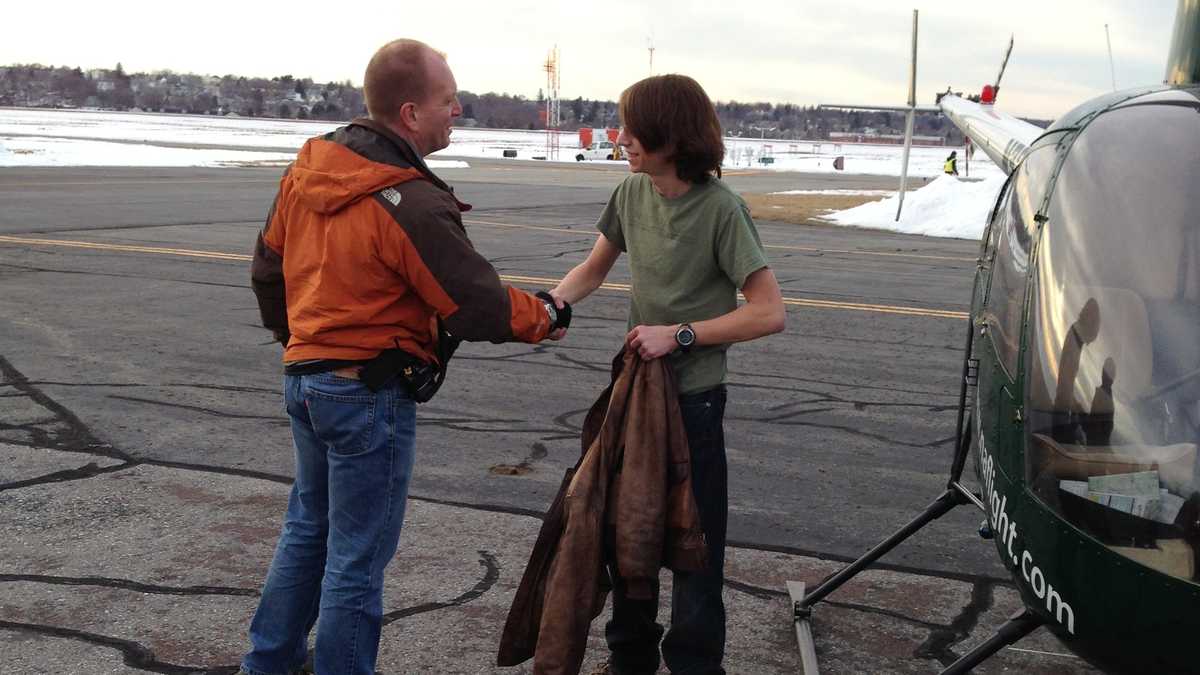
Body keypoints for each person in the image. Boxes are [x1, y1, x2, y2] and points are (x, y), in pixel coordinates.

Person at [240, 39, 566, 675]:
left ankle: (267, 663)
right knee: (356, 556)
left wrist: (304, 344)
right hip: (366, 394)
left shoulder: (308, 173)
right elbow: (473, 303)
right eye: (449, 102)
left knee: (308, 530)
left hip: (307, 384)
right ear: (411, 113)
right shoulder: (406, 199)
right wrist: (545, 316)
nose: (458, 111)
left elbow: (266, 271)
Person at [548, 74, 786, 675]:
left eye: (633, 126)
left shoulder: (723, 211)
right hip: (637, 399)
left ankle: (695, 666)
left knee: (694, 550)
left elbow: (768, 312)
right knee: (628, 534)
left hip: (695, 405)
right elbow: (594, 267)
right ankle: (629, 661)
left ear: (671, 136)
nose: (621, 136)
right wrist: (546, 307)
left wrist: (679, 335)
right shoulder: (631, 195)